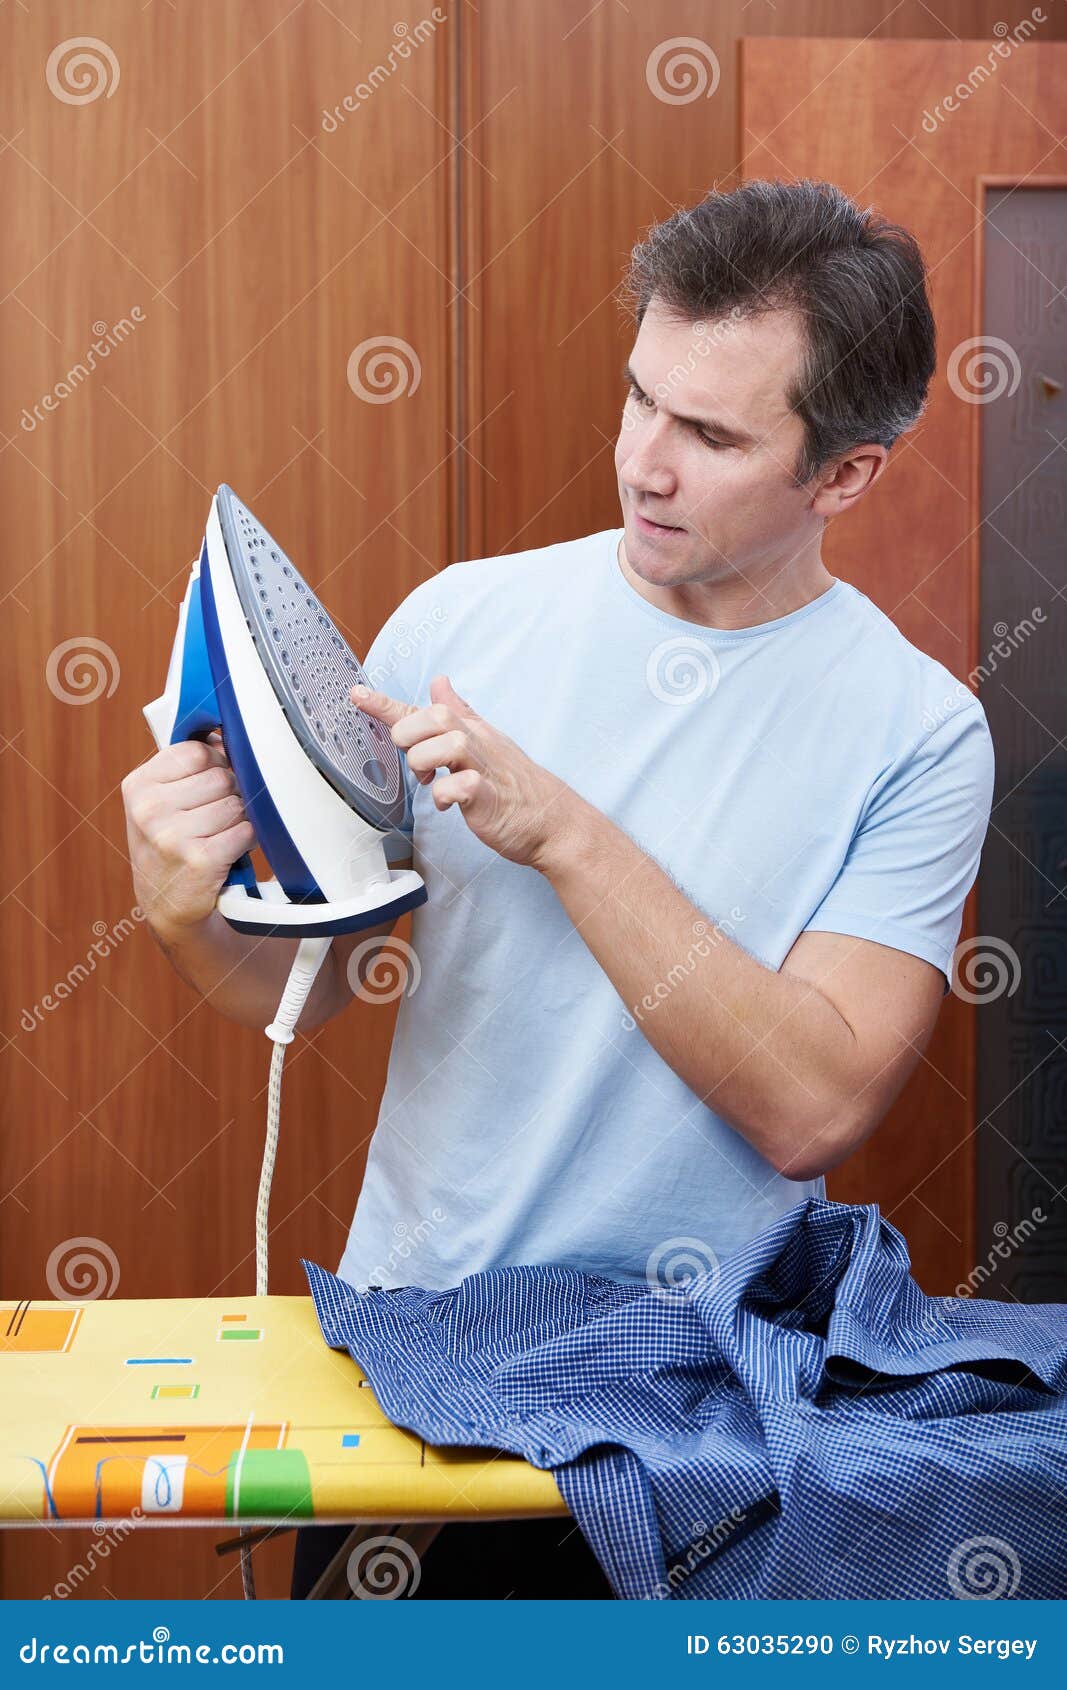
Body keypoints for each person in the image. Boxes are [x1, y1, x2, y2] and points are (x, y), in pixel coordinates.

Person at [120, 179, 995, 1599]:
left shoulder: (918, 733)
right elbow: (314, 986)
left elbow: (812, 1105)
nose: (644, 460)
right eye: (641, 397)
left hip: (690, 1431)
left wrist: (567, 833)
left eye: (709, 434)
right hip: (412, 1389)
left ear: (845, 475)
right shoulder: (465, 618)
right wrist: (186, 912)